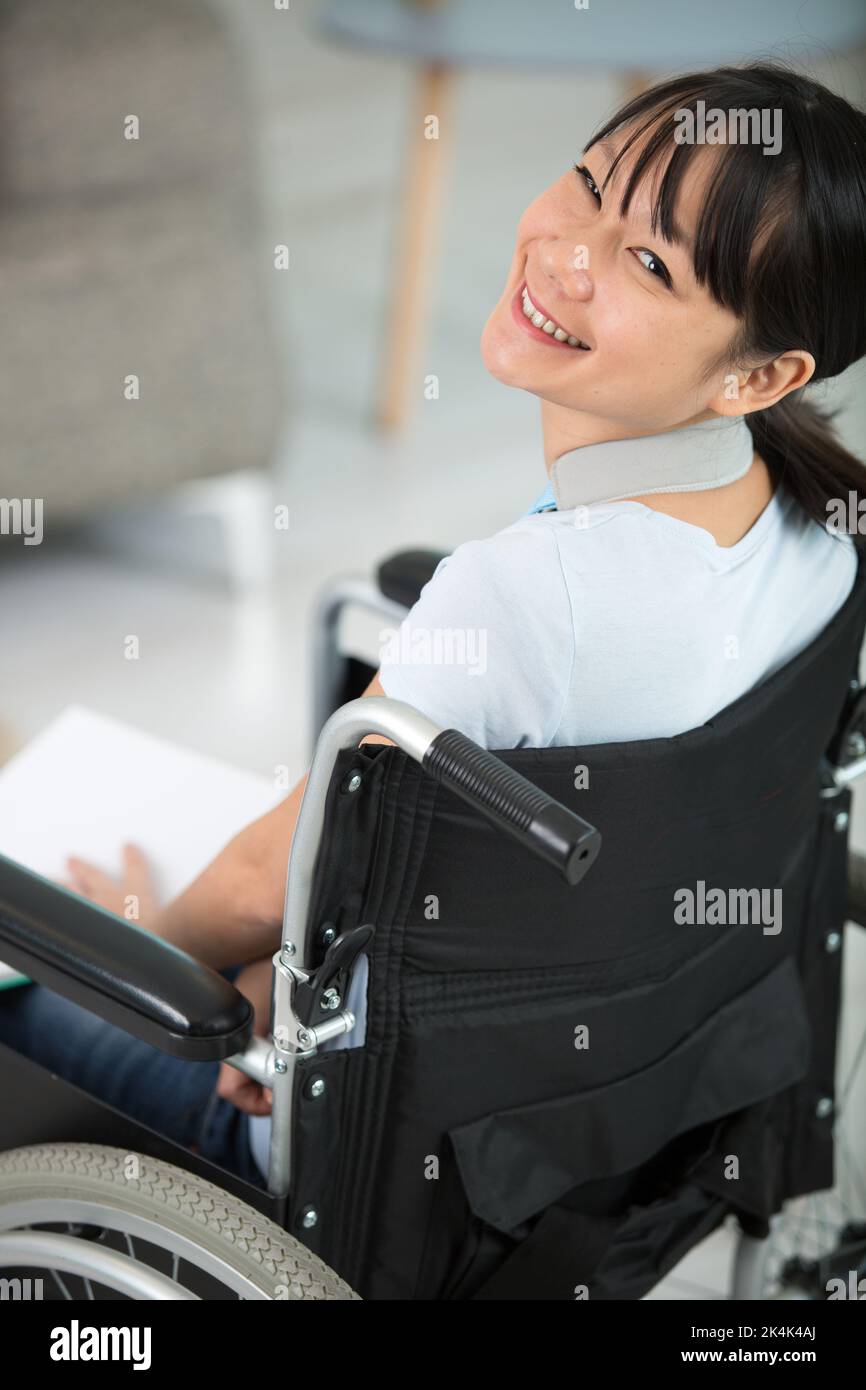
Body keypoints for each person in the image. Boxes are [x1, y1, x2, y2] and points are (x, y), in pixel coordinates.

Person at [2, 60, 865, 1189]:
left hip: (345, 1143)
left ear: (759, 374)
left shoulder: (518, 599)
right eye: (586, 184)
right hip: (597, 1107)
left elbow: (272, 880)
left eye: (646, 261)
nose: (566, 255)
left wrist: (143, 936)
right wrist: (298, 962)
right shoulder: (816, 552)